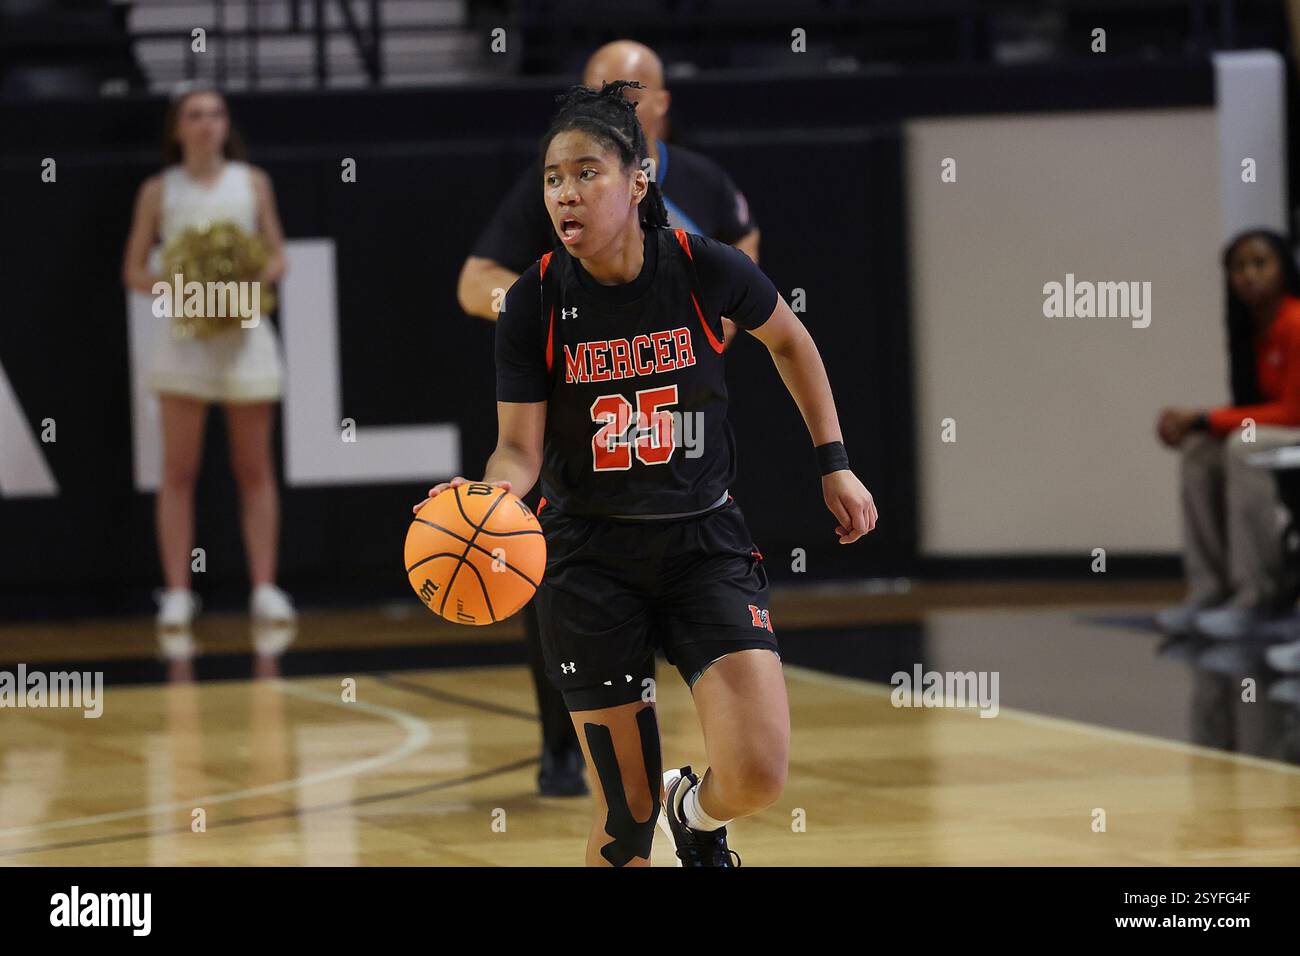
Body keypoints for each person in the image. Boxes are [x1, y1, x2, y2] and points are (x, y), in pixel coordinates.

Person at [416, 81, 876, 866]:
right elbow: (519, 451)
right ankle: (655, 815)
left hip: (704, 544)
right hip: (590, 559)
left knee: (760, 775)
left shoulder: (703, 268)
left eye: (587, 172)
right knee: (625, 819)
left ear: (639, 179)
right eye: (554, 178)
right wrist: (486, 500)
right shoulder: (530, 303)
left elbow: (792, 341)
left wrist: (835, 463)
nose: (566, 193)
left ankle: (693, 813)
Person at [457, 40, 761, 797]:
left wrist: (700, 329)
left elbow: (749, 274)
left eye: (626, 87)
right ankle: (560, 741)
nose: (608, 97)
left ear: (660, 105)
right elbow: (475, 282)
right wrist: (546, 316)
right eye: (594, 85)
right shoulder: (559, 187)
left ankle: (696, 800)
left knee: (750, 747)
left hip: (673, 414)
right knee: (551, 551)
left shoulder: (704, 185)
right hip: (576, 422)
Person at [122, 86, 296, 632]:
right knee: (179, 472)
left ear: (226, 125)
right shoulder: (159, 191)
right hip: (186, 339)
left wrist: (242, 278)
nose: (206, 124)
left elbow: (278, 257)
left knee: (255, 470)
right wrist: (183, 289)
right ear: (178, 128)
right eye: (195, 116)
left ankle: (264, 588)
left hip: (244, 336)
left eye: (216, 114)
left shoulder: (252, 182)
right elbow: (132, 271)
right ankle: (176, 592)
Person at [1156, 229, 1300, 640]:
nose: (1248, 275)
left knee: (1243, 445)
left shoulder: (1296, 321)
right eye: (1238, 267)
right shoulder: (1247, 331)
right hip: (1280, 436)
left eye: (1259, 263)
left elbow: (1292, 412)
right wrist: (1199, 427)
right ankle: (1210, 589)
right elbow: (1249, 408)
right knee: (1201, 450)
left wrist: (1204, 417)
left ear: (1283, 268)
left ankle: (1257, 594)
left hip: (1292, 434)